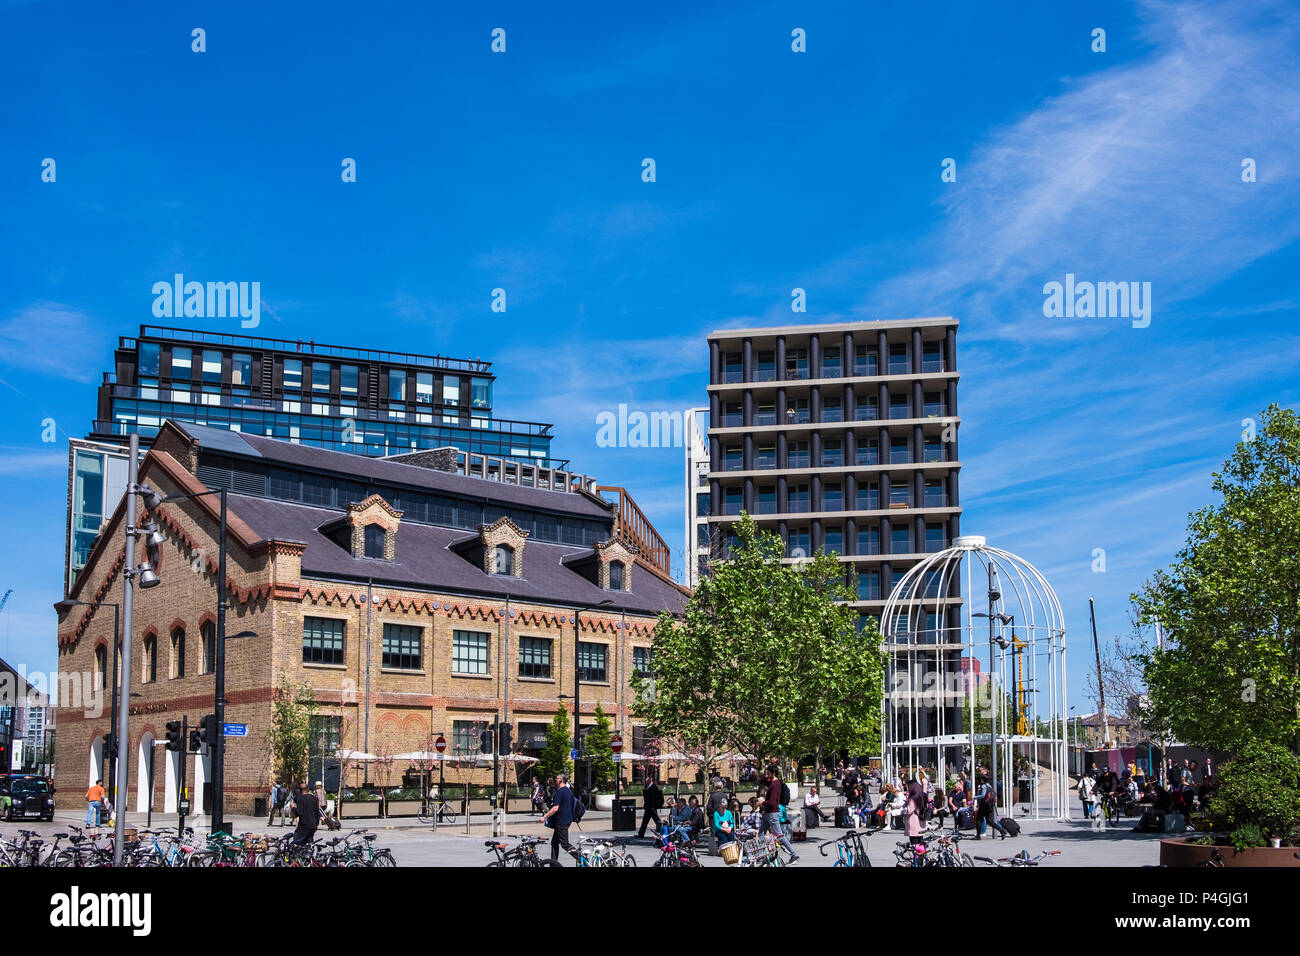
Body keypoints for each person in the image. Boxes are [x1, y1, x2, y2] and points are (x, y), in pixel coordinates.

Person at [759, 768, 798, 863]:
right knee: (761, 834)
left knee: (779, 835)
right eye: (766, 773)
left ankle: (794, 854)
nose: (767, 774)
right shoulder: (772, 782)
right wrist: (764, 776)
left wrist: (762, 802)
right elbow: (761, 781)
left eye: (768, 773)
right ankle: (762, 856)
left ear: (774, 773)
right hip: (767, 813)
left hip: (772, 813)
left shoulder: (775, 785)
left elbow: (772, 802)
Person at [540, 772, 577, 863]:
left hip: (561, 821)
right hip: (566, 820)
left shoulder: (560, 792)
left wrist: (545, 816)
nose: (555, 780)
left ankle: (581, 858)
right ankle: (553, 863)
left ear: (561, 780)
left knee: (564, 844)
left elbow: (555, 808)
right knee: (554, 843)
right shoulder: (569, 791)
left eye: (556, 778)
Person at [974, 774, 1005, 840]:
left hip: (984, 805)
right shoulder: (989, 785)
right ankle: (1001, 830)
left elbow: (983, 795)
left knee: (979, 820)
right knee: (989, 821)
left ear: (982, 780)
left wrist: (975, 797)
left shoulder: (984, 786)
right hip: (989, 805)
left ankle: (978, 836)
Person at [705, 782, 729, 853]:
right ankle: (723, 849)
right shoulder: (725, 795)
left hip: (715, 818)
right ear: (721, 787)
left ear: (715, 787)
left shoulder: (713, 796)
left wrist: (710, 816)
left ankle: (714, 850)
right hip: (724, 818)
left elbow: (709, 807)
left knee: (714, 834)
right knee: (724, 833)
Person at [904, 780, 926, 846]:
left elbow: (909, 810)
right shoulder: (923, 796)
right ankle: (922, 855)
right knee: (920, 842)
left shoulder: (913, 799)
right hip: (921, 821)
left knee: (914, 843)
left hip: (914, 822)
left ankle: (916, 855)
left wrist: (905, 807)